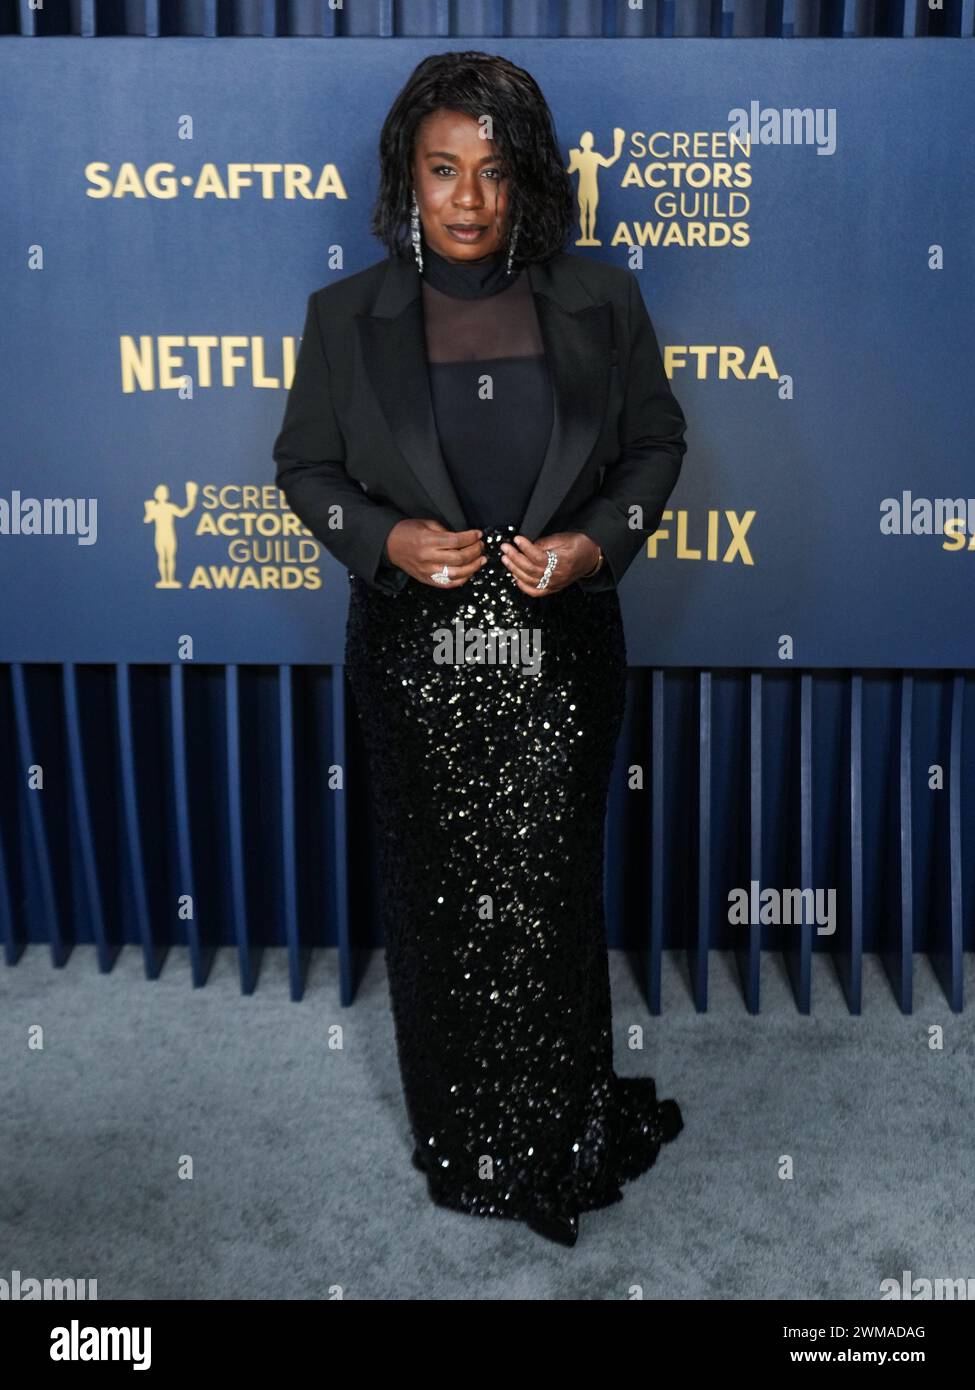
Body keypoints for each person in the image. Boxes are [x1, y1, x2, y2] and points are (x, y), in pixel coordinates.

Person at [272, 50, 688, 1247]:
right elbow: (303, 468)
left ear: (528, 184)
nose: (467, 198)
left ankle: (557, 1132)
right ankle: (467, 1142)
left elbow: (657, 445)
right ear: (408, 175)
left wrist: (597, 546)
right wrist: (385, 536)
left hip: (563, 652)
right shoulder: (344, 317)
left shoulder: (602, 301)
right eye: (444, 169)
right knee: (436, 901)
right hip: (413, 656)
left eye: (495, 173)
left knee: (551, 899)